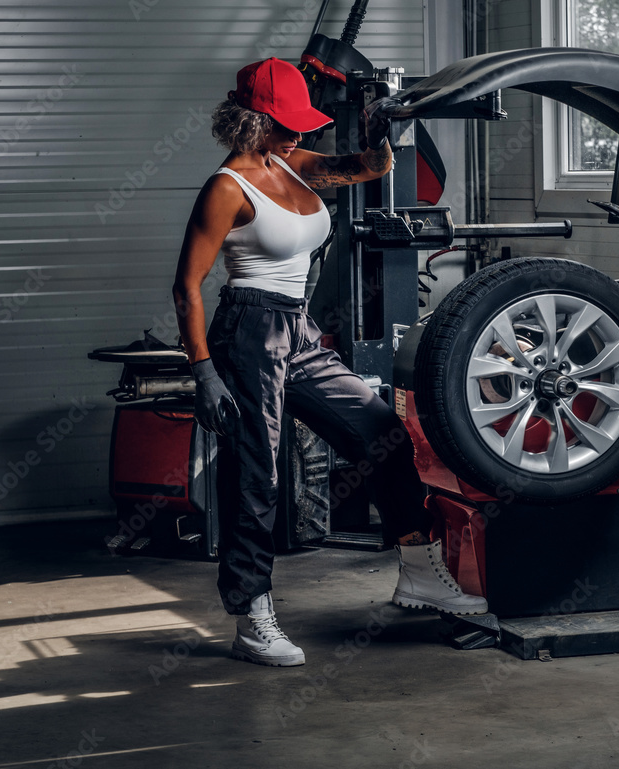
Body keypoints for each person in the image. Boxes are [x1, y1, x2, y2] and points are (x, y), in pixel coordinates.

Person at [172, 57, 488, 668]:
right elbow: (187, 286)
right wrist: (204, 372)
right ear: (250, 118)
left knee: (383, 435)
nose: (297, 134)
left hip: (300, 329)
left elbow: (371, 168)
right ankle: (252, 617)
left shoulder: (293, 162)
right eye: (284, 124)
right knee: (256, 478)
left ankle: (420, 571)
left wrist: (382, 125)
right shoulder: (226, 188)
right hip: (246, 331)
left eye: (300, 125)